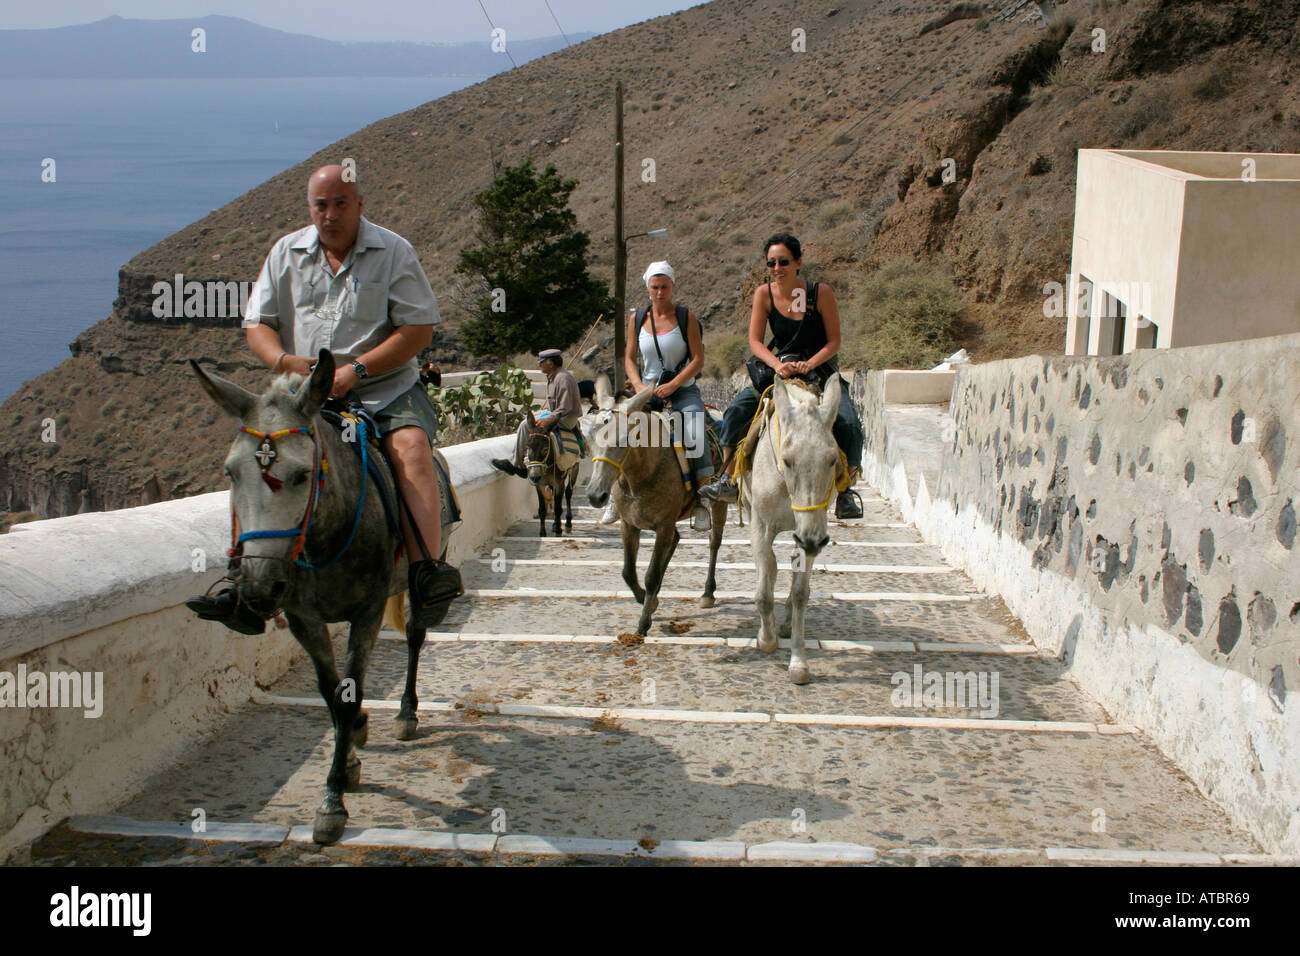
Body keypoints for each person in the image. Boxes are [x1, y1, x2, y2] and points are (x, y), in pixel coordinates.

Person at [188, 164, 462, 631]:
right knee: (255, 458)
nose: (330, 214)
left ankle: (425, 573)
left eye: (340, 203)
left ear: (359, 204)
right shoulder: (285, 253)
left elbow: (418, 329)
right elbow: (258, 324)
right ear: (309, 207)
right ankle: (243, 583)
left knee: (412, 450)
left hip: (386, 390)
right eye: (321, 204)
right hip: (304, 395)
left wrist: (356, 370)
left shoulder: (394, 252)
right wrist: (284, 362)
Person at [698, 232, 865, 518]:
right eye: (771, 263)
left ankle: (846, 491)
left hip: (819, 371)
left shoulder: (819, 293)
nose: (777, 269)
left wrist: (810, 364)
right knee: (737, 411)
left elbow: (833, 342)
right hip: (780, 370)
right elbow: (755, 341)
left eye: (783, 262)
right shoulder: (764, 294)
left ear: (798, 262)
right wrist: (777, 365)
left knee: (848, 423)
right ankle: (728, 479)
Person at [625, 261, 714, 530]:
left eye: (664, 287)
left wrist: (674, 385)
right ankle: (615, 496)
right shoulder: (637, 319)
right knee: (618, 429)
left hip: (682, 390)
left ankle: (702, 497)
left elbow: (698, 360)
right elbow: (629, 359)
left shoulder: (686, 317)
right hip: (647, 392)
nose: (660, 292)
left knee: (696, 428)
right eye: (655, 287)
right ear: (647, 288)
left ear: (672, 286)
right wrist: (640, 387)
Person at [492, 349, 583, 477]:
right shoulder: (554, 377)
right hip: (556, 414)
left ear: (550, 364)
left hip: (566, 418)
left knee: (525, 425)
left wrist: (547, 420)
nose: (539, 364)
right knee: (530, 419)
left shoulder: (563, 378)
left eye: (542, 362)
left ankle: (519, 466)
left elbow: (565, 408)